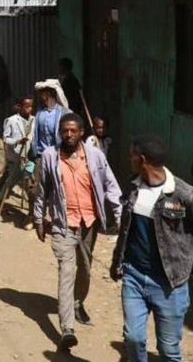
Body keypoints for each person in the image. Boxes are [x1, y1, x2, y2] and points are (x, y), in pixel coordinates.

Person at [111, 135, 193, 362]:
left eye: (132, 156)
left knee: (169, 350)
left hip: (170, 285)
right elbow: (125, 231)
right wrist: (117, 263)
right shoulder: (133, 187)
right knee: (134, 338)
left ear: (142, 159)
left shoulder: (185, 195)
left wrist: (188, 268)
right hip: (135, 277)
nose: (130, 160)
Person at [34, 113, 123, 351]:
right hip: (63, 225)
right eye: (65, 131)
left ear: (82, 132)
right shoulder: (50, 157)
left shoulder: (95, 157)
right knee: (66, 272)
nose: (69, 135)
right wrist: (38, 218)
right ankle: (67, 329)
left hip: (88, 224)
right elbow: (41, 190)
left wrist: (120, 215)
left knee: (84, 270)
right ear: (60, 133)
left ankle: (77, 302)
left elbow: (111, 186)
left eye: (73, 131)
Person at [0, 96, 36, 228]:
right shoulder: (11, 121)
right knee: (10, 183)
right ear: (19, 107)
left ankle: (31, 214)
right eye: (27, 106)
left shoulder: (34, 120)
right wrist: (17, 142)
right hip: (15, 159)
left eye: (31, 106)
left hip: (28, 159)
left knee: (30, 186)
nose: (29, 109)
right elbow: (6, 138)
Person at [32, 79, 72, 161]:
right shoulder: (39, 114)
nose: (39, 96)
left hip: (59, 158)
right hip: (41, 158)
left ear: (48, 94)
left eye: (42, 93)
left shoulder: (65, 113)